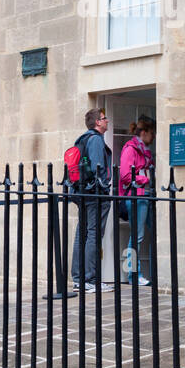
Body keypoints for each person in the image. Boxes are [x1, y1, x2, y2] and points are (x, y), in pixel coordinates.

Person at [70, 108, 113, 293]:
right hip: (94, 194)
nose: (107, 121)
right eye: (104, 119)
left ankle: (79, 278)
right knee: (93, 234)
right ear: (97, 122)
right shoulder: (95, 139)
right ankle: (90, 279)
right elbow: (98, 169)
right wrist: (104, 188)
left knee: (83, 233)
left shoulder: (82, 139)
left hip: (82, 192)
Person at [119, 116, 156, 286]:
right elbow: (126, 176)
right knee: (137, 236)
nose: (154, 136)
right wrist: (146, 178)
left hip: (147, 195)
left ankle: (155, 273)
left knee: (155, 234)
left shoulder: (145, 151)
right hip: (136, 196)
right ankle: (132, 275)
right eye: (152, 132)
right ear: (143, 132)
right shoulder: (130, 149)